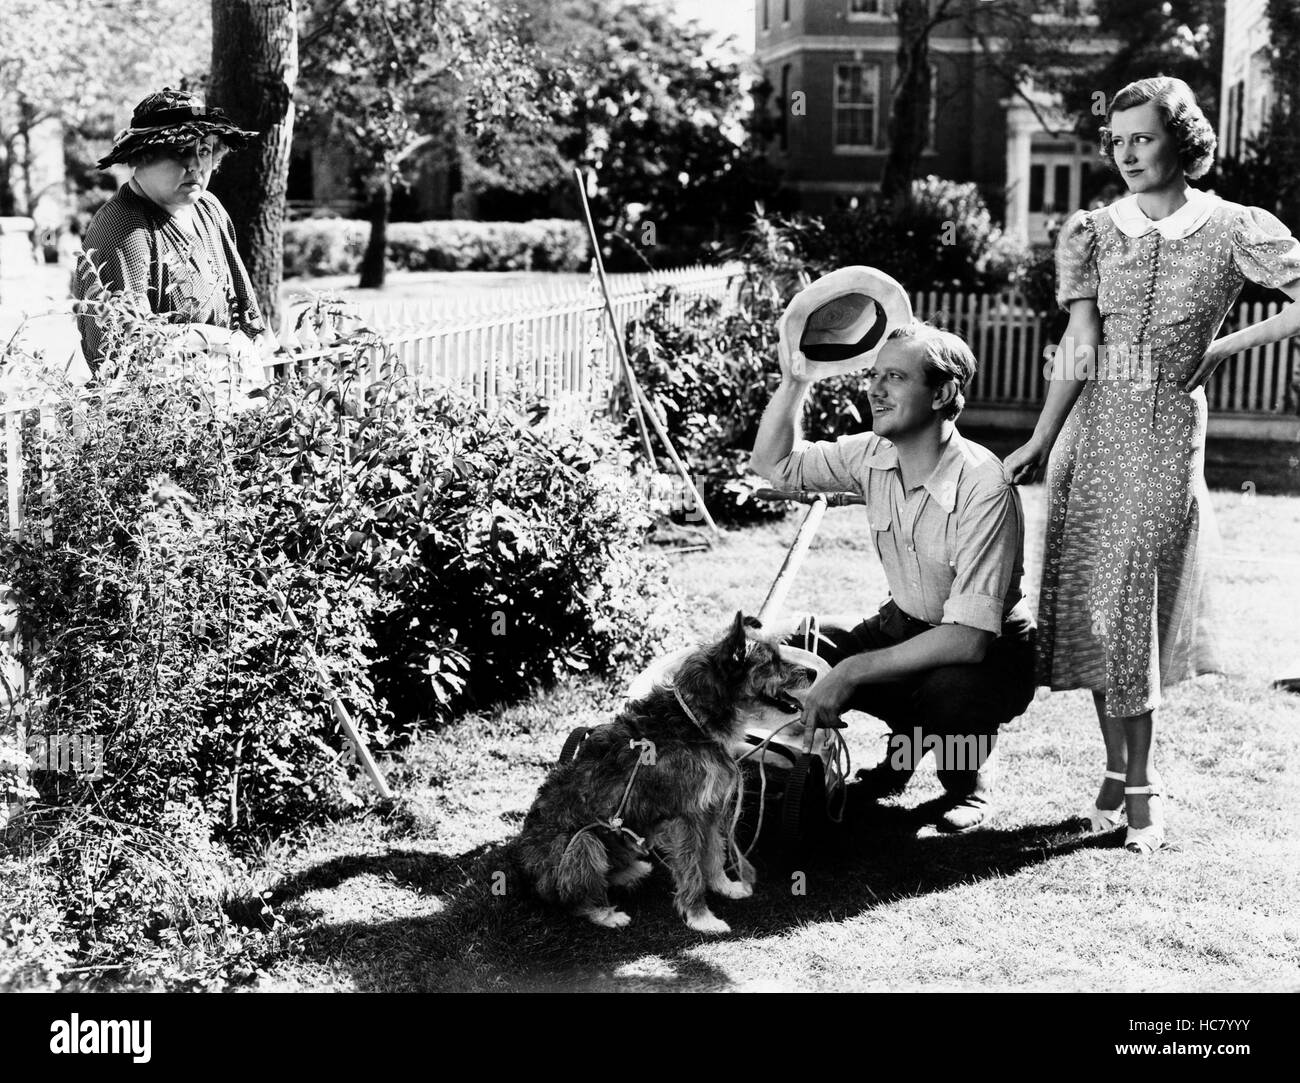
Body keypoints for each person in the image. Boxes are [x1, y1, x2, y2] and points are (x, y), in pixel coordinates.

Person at [1004, 77, 1300, 854]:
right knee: (1104, 611)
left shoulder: (1237, 226)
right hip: (1091, 434)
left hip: (1167, 434)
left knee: (1138, 601)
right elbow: (1079, 344)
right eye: (1117, 139)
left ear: (1181, 138)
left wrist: (1225, 347)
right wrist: (1039, 439)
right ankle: (1117, 770)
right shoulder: (1092, 231)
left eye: (1143, 137)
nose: (1127, 153)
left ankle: (1142, 781)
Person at [750, 321, 1036, 833]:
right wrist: (797, 381)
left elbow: (969, 639)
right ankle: (895, 754)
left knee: (950, 693)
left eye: (896, 377)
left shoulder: (985, 485)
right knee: (778, 646)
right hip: (901, 625)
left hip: (987, 654)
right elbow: (773, 464)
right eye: (874, 375)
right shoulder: (872, 453)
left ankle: (966, 783)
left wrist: (850, 672)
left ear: (944, 392)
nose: (875, 389)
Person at [73, 87, 268, 392]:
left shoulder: (209, 209)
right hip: (165, 415)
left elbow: (243, 311)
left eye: (204, 150)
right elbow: (128, 347)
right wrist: (219, 339)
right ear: (142, 156)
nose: (195, 165)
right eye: (179, 151)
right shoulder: (125, 225)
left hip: (228, 398)